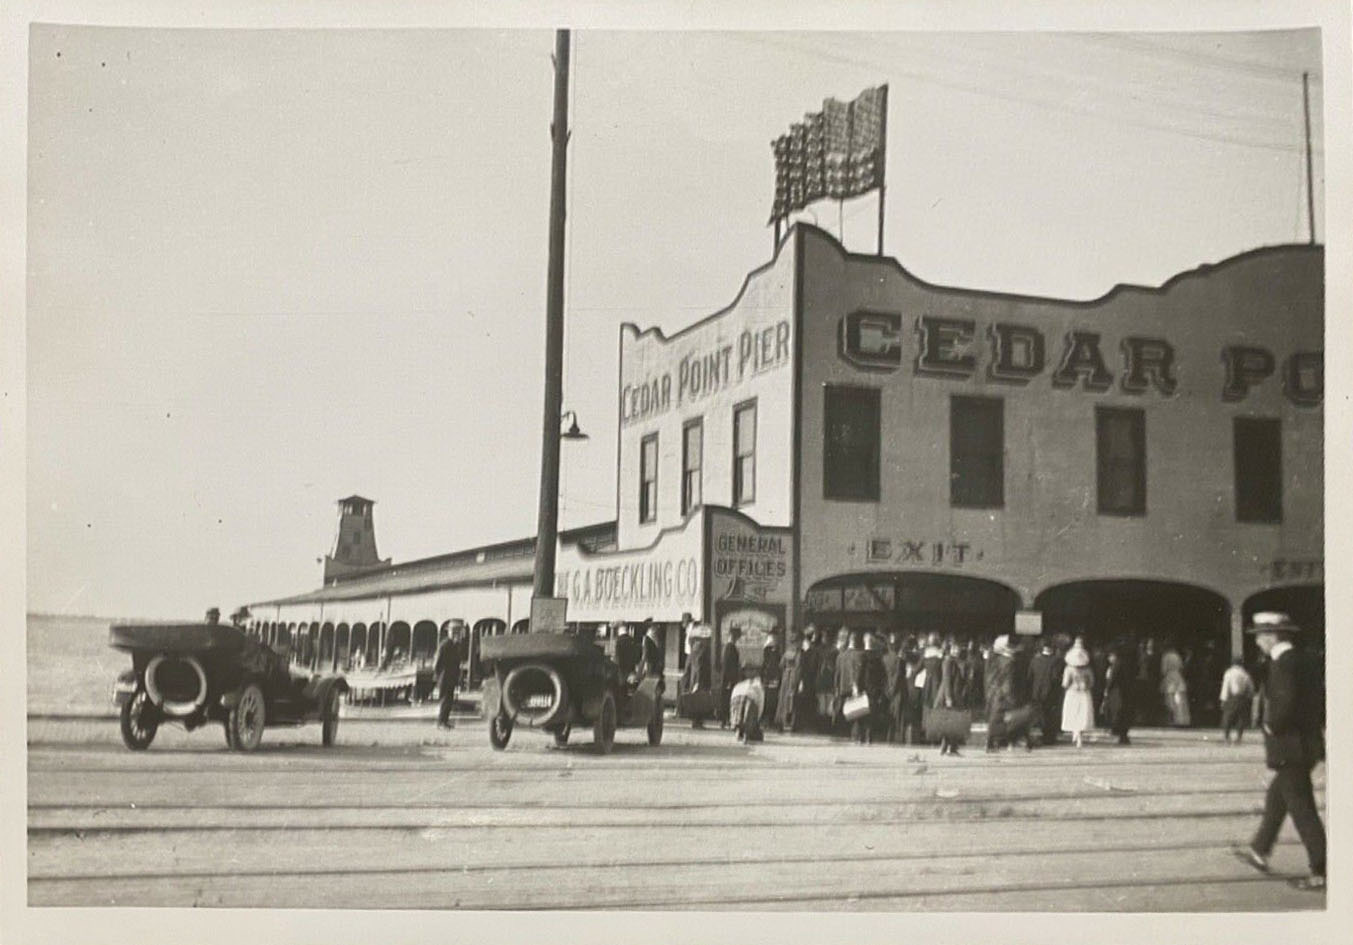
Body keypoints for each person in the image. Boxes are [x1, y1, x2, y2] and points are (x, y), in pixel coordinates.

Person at [1232, 612, 1326, 891]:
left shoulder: (1282, 664)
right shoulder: (1305, 659)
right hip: (1305, 744)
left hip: (1289, 747)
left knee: (1302, 809)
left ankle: (1322, 870)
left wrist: (1272, 726)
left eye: (1260, 636)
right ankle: (1259, 849)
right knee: (1277, 799)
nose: (1258, 641)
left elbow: (1285, 702)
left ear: (1273, 636)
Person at [1027, 639, 1063, 746]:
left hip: (1037, 692)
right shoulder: (1057, 661)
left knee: (1040, 714)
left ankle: (1040, 735)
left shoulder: (1035, 660)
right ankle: (1049, 737)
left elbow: (1029, 677)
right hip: (1051, 692)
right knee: (1050, 715)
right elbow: (1056, 677)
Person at [1061, 638, 1095, 748]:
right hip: (1084, 692)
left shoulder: (1069, 669)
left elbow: (1065, 683)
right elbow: (1092, 682)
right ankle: (1080, 735)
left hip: (1072, 692)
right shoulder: (1087, 669)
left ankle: (1075, 733)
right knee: (1082, 714)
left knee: (1073, 713)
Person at [1102, 642, 1137, 745]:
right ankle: (1122, 735)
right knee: (1121, 713)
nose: (1109, 658)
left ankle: (1122, 735)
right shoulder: (1125, 663)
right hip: (1124, 691)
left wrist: (1107, 689)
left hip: (1116, 692)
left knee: (1117, 713)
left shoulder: (1116, 665)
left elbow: (1112, 679)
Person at [790, 626, 820, 732]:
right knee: (801, 701)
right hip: (803, 680)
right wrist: (801, 681)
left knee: (801, 701)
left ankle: (798, 724)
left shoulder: (804, 651)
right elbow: (805, 667)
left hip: (802, 679)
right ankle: (798, 725)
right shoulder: (806, 651)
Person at [1219, 657, 1256, 744]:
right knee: (1241, 718)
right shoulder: (1245, 674)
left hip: (1231, 696)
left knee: (1228, 717)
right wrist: (1249, 696)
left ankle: (1227, 737)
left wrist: (1223, 699)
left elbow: (1225, 687)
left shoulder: (1229, 673)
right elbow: (1251, 687)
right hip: (1242, 697)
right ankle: (1238, 737)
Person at [684, 621, 714, 728]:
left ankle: (697, 721)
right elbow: (700, 667)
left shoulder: (694, 650)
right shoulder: (702, 650)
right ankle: (697, 721)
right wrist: (698, 681)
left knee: (697, 700)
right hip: (700, 679)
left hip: (696, 679)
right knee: (700, 701)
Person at [834, 629, 862, 737]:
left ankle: (841, 733)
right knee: (855, 714)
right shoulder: (858, 655)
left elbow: (837, 674)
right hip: (853, 688)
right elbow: (856, 672)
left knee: (843, 711)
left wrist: (836, 688)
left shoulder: (841, 656)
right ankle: (854, 734)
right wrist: (855, 685)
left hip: (842, 687)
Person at [433, 630, 461, 728]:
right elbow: (438, 660)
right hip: (445, 676)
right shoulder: (445, 645)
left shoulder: (454, 646)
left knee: (449, 700)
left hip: (450, 677)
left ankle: (444, 721)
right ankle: (441, 722)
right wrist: (437, 674)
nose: (459, 637)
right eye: (458, 634)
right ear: (453, 634)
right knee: (445, 700)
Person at [719, 627, 743, 729]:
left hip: (728, 678)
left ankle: (725, 720)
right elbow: (728, 665)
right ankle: (725, 720)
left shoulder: (728, 647)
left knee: (727, 698)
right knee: (728, 699)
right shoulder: (730, 648)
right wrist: (728, 680)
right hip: (729, 678)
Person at [1160, 646, 1191, 726]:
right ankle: (1182, 720)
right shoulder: (1177, 656)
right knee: (1180, 701)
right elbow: (1181, 667)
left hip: (1169, 678)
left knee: (1170, 702)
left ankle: (1172, 720)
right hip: (1178, 678)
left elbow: (1163, 670)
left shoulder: (1165, 656)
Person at [761, 631, 783, 729]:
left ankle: (769, 719)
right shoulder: (770, 650)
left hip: (770, 677)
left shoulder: (772, 650)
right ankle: (769, 719)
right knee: (770, 699)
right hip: (771, 677)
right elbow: (772, 664)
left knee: (771, 699)